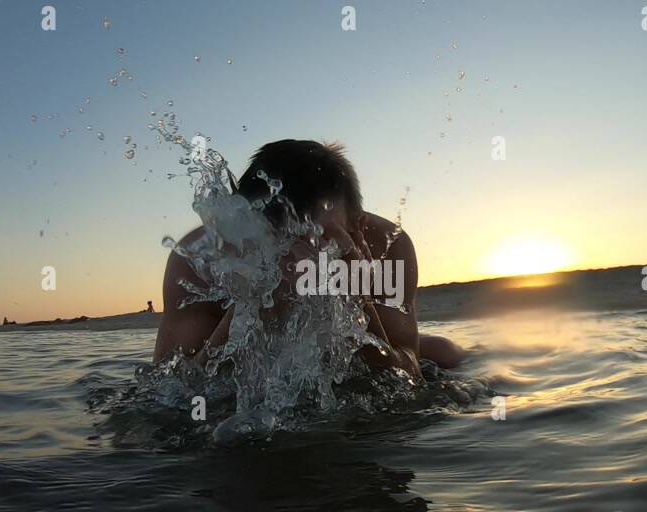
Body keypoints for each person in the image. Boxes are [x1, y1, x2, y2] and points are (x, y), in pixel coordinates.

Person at [153, 139, 465, 373]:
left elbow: (407, 376)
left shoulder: (387, 248)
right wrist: (250, 309)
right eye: (270, 242)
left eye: (315, 239)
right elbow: (172, 387)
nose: (293, 259)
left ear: (357, 226)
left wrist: (357, 301)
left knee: (443, 353)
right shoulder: (197, 259)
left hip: (367, 323)